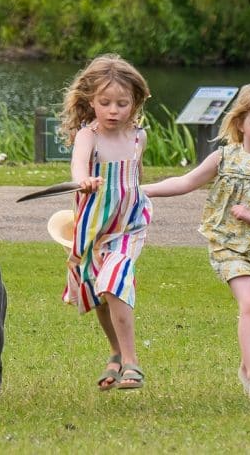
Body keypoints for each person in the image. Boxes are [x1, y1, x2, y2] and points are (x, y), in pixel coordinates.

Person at [144, 83, 250, 397]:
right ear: (240, 123)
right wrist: (141, 190)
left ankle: (248, 370)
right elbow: (185, 181)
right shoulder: (224, 157)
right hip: (228, 241)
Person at [59, 53, 155, 391]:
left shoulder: (137, 137)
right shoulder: (90, 136)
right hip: (93, 228)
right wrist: (83, 180)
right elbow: (77, 167)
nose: (114, 110)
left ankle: (131, 362)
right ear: (91, 101)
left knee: (114, 280)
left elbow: (136, 178)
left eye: (122, 103)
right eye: (105, 103)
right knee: (97, 290)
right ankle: (114, 353)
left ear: (135, 102)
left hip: (128, 225)